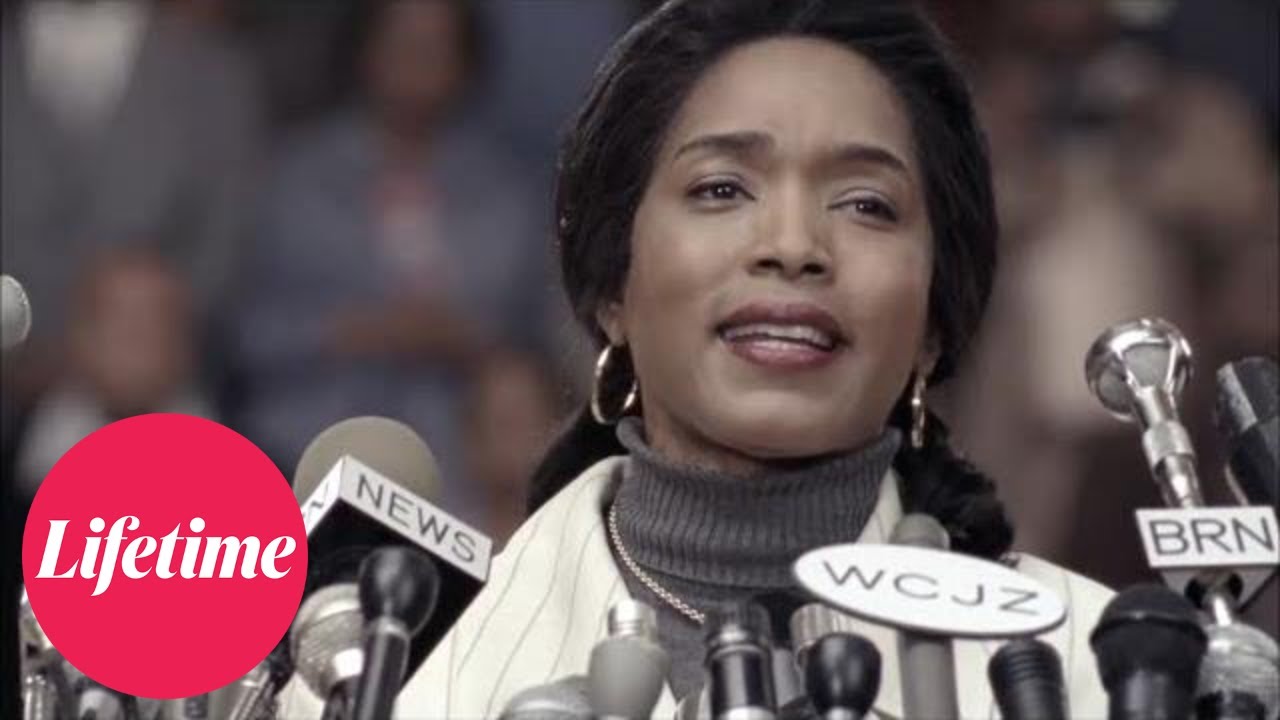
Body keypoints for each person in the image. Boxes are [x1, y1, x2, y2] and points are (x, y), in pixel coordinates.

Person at [277, 1, 1113, 716]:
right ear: (613, 287)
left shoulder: (1093, 666)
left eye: (866, 204)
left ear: (934, 317)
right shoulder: (387, 671)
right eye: (722, 189)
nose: (793, 246)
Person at [234, 0, 547, 515]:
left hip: (464, 464)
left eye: (437, 47)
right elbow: (246, 337)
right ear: (366, 51)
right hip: (302, 445)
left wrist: (463, 337)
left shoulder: (506, 190)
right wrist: (354, 331)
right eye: (403, 43)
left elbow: (535, 340)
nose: (418, 61)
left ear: (468, 63)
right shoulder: (296, 176)